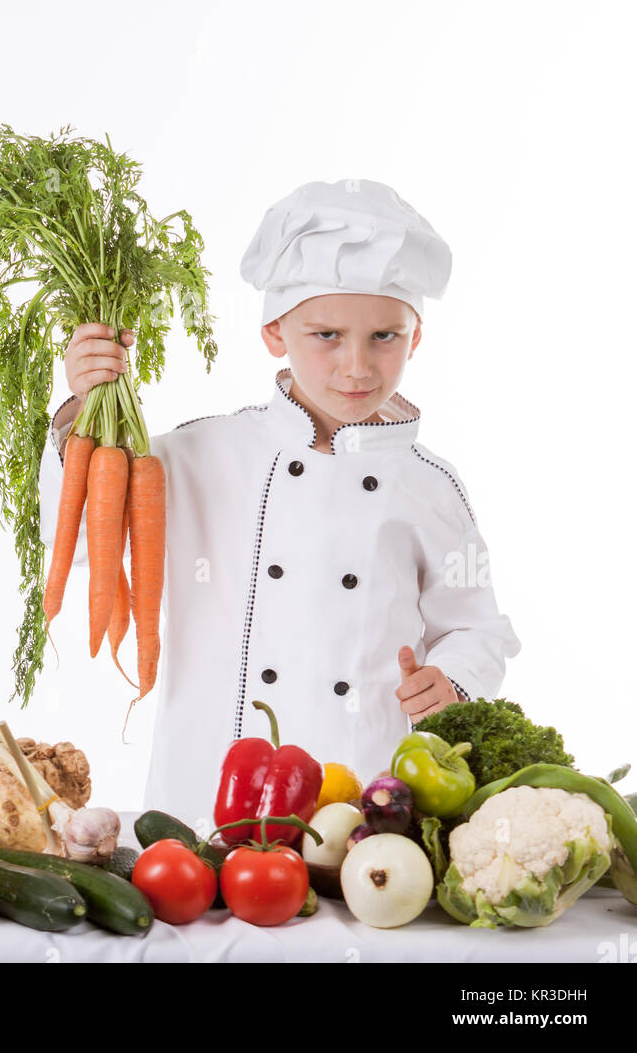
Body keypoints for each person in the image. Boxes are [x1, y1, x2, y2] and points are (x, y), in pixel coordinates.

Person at [38, 178, 521, 829]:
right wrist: (81, 404)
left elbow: (478, 627)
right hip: (205, 796)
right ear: (274, 332)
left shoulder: (430, 484)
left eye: (385, 336)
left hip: (358, 806)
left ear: (416, 338)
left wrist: (454, 678)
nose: (357, 366)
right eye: (326, 335)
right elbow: (91, 546)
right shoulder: (198, 454)